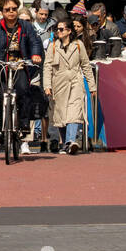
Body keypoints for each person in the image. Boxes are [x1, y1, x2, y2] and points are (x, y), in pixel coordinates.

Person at [0, 0, 45, 154]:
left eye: (14, 9)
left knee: (23, 90)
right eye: (7, 10)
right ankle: (2, 130)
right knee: (1, 96)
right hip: (3, 67)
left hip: (20, 66)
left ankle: (23, 124)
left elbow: (35, 43)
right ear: (2, 11)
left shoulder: (26, 26)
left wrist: (35, 55)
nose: (11, 12)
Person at [44, 17, 94, 155]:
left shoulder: (78, 45)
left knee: (74, 112)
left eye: (61, 29)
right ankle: (66, 143)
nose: (58, 32)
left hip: (75, 81)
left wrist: (92, 86)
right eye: (57, 29)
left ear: (69, 31)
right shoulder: (53, 46)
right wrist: (47, 85)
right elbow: (47, 67)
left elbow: (86, 65)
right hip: (58, 83)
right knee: (61, 115)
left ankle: (70, 141)